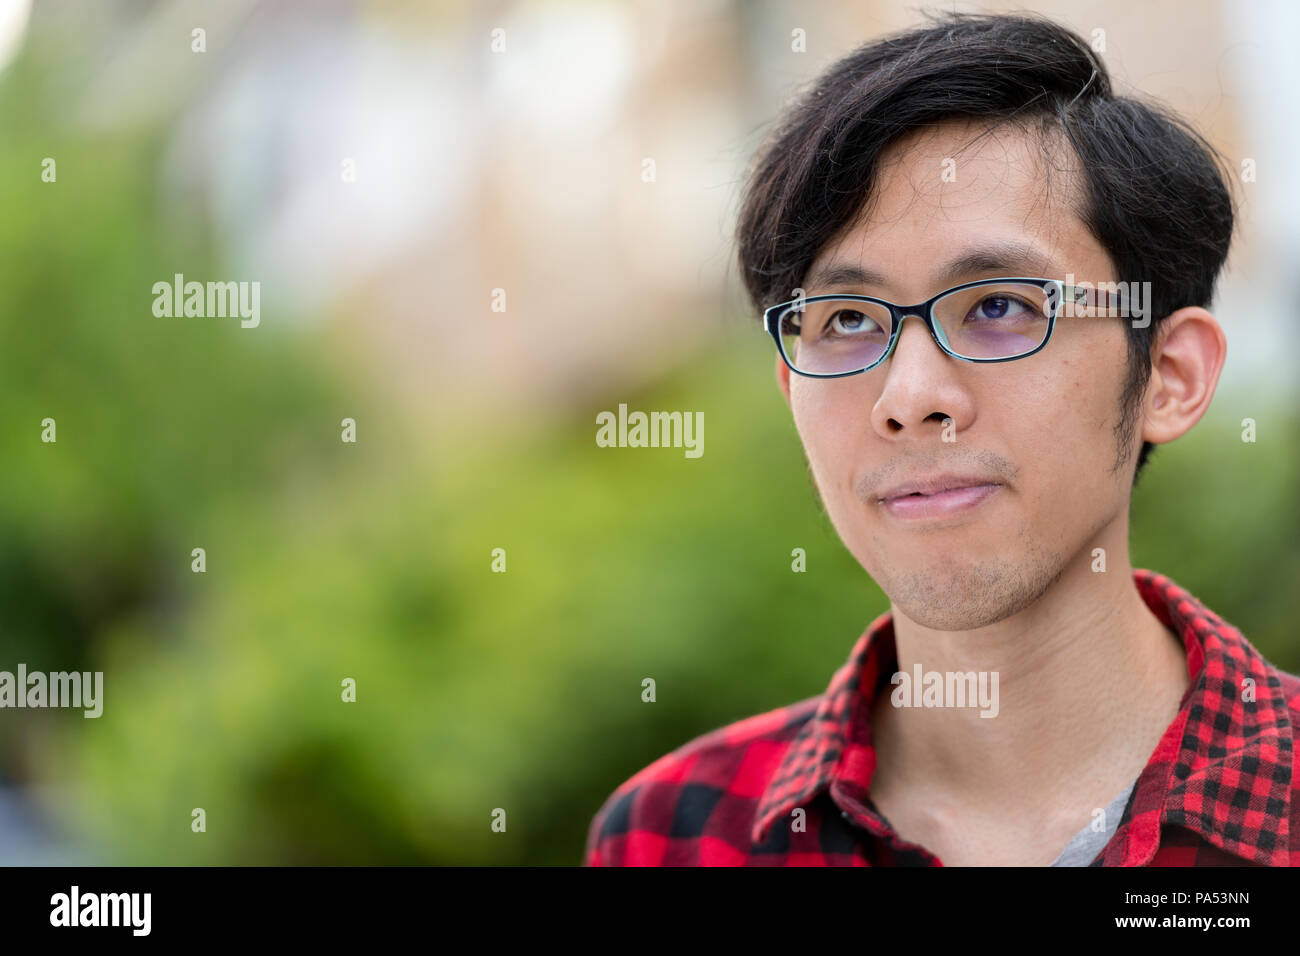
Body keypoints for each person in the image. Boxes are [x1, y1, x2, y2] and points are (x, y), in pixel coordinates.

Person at [583, 11, 1299, 866]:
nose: (910, 397)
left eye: (1000, 307)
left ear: (1169, 376)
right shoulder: (676, 834)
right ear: (791, 387)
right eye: (847, 319)